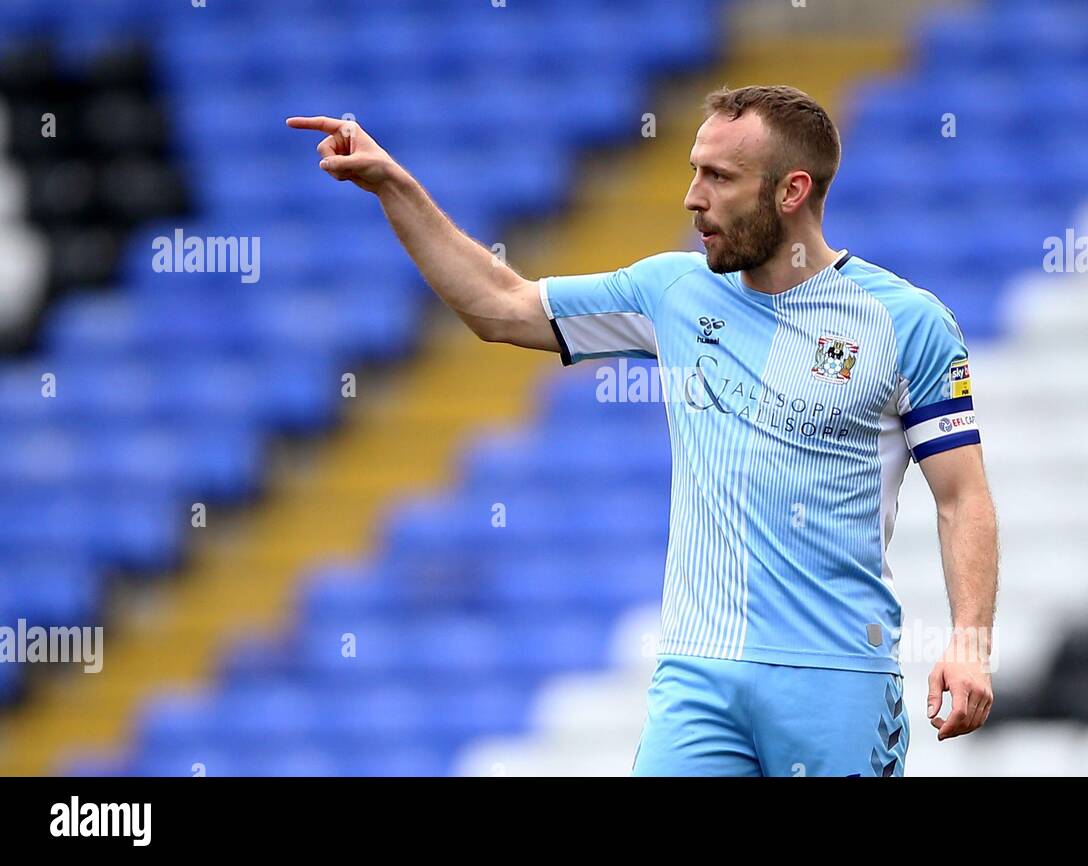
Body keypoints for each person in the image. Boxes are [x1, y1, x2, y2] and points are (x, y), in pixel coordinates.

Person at [287, 83, 998, 776]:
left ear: (792, 191)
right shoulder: (673, 291)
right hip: (697, 678)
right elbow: (497, 305)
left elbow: (961, 496)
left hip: (833, 675)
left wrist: (968, 642)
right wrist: (393, 187)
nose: (694, 197)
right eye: (694, 171)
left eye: (720, 177)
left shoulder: (905, 323)